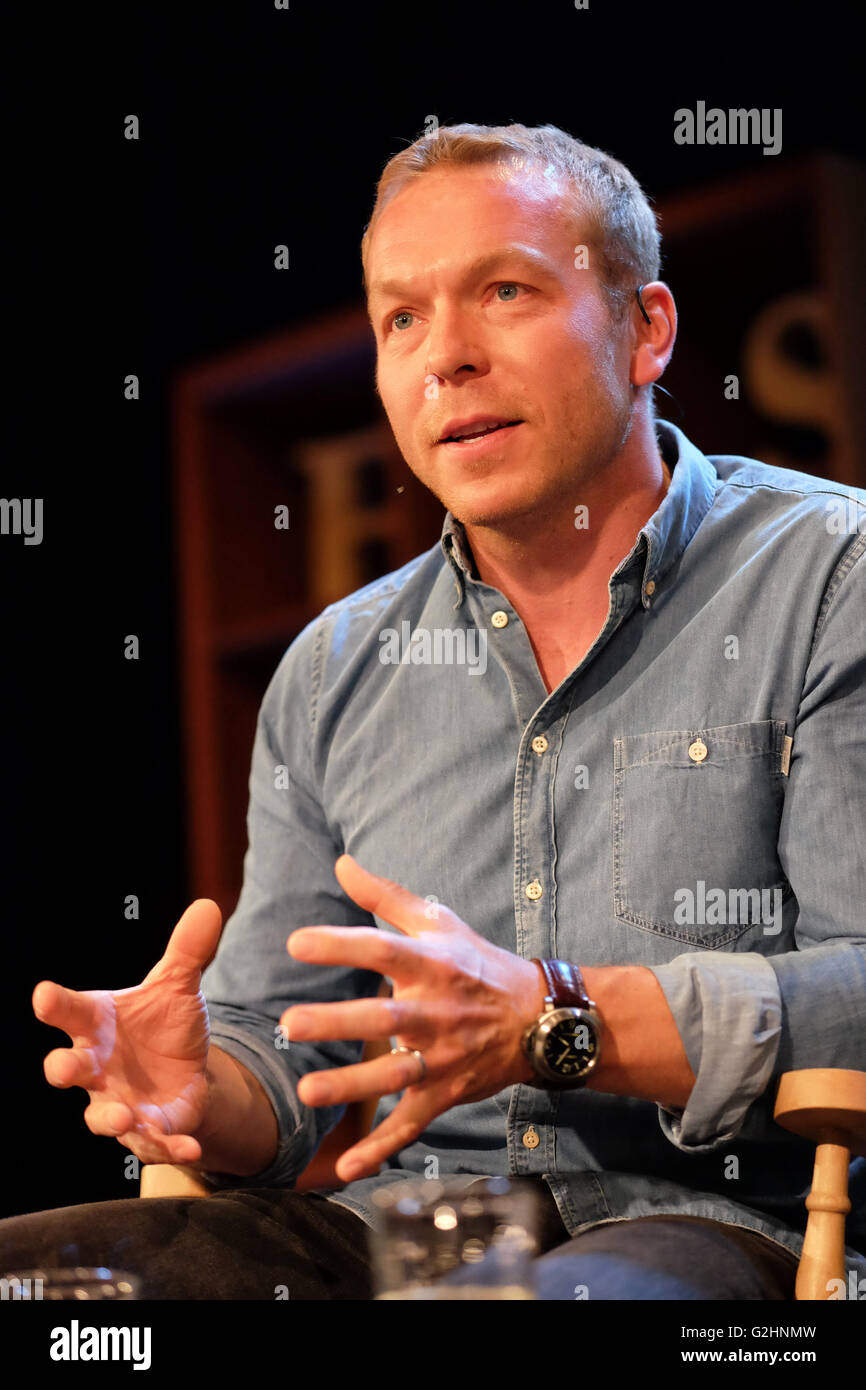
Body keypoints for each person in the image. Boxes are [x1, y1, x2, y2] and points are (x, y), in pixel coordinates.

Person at [4, 122, 865, 1301]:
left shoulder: (829, 572)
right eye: (400, 318)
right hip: (392, 1230)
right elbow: (283, 1050)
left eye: (503, 291)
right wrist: (207, 1087)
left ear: (644, 328)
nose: (442, 358)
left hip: (721, 1224)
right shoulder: (332, 666)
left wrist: (561, 1016)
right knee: (33, 1284)